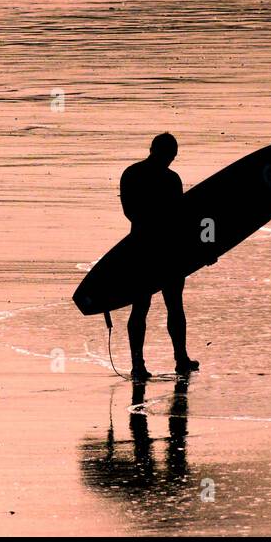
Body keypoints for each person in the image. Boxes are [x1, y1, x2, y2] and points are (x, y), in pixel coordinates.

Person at [120, 132, 199, 380]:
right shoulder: (163, 178)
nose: (168, 160)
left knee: (157, 306)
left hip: (148, 249)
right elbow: (176, 219)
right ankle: (161, 362)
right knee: (159, 305)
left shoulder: (134, 174)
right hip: (160, 250)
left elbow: (132, 212)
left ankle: (163, 361)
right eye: (168, 156)